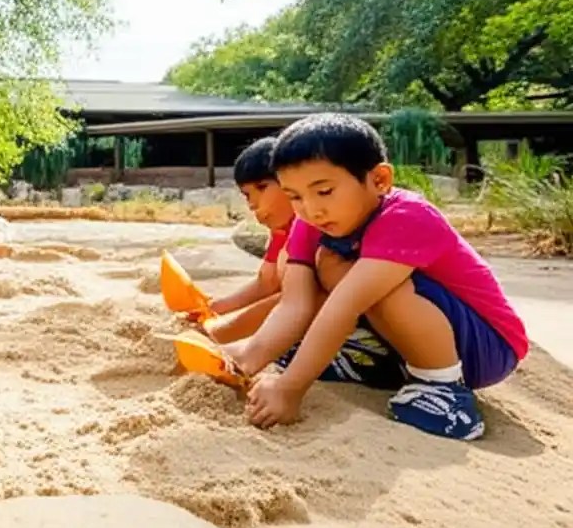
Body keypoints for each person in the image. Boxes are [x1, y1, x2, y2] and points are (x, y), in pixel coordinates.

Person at [224, 113, 528, 441]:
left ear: (379, 180)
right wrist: (247, 356)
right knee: (330, 263)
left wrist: (290, 387)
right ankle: (371, 359)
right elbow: (295, 303)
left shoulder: (407, 217)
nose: (311, 210)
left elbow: (345, 305)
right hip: (406, 334)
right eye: (295, 196)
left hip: (484, 345)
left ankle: (443, 390)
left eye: (324, 191)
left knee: (378, 285)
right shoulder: (309, 225)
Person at [200, 137, 296, 343]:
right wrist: (212, 309)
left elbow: (300, 298)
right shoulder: (282, 230)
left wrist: (214, 334)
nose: (252, 204)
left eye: (262, 187)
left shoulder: (317, 228)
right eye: (246, 195)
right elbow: (268, 282)